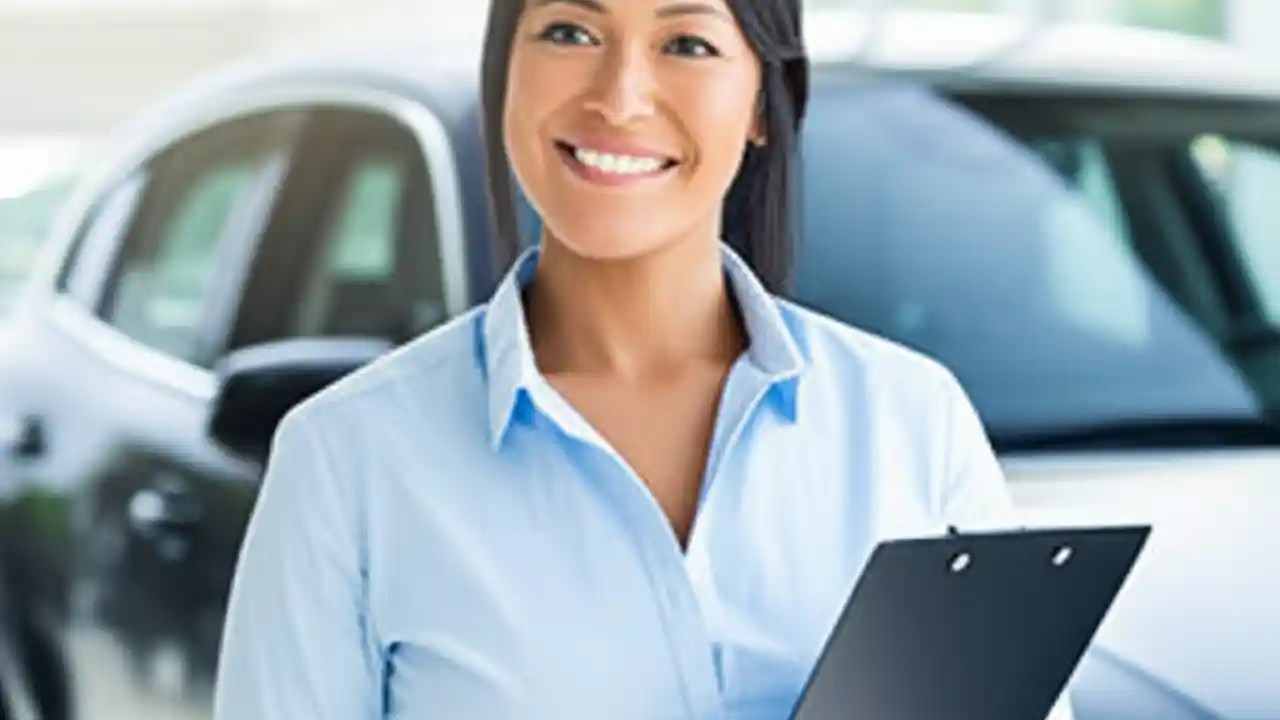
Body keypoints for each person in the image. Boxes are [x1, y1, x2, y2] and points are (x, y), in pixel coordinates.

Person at [213, 0, 1075, 717]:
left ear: (764, 105)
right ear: (504, 71)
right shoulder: (349, 458)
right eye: (570, 31)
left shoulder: (911, 421)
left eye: (687, 43)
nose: (620, 97)